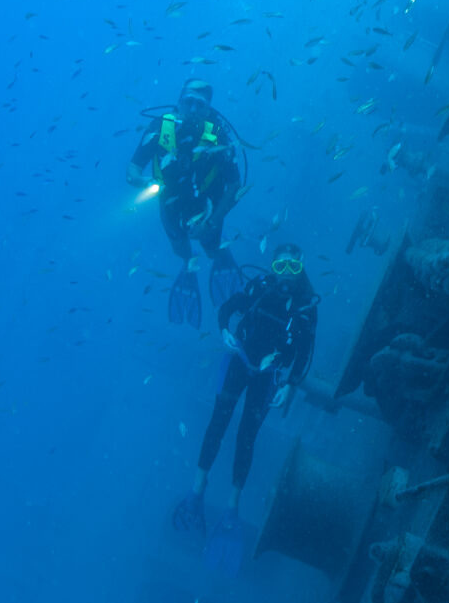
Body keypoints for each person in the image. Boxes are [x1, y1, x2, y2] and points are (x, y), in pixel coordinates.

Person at [171, 242, 319, 574]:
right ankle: (197, 491)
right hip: (240, 360)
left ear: (301, 267)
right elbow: (227, 308)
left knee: (246, 436)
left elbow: (305, 353)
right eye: (280, 267)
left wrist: (289, 386)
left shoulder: (306, 306)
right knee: (217, 424)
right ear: (272, 268)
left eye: (292, 268)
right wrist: (224, 331)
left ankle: (232, 508)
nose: (285, 276)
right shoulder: (259, 286)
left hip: (267, 377)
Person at [126, 78, 244, 326]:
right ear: (178, 103)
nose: (193, 109)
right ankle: (188, 268)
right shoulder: (161, 128)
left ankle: (219, 257)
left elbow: (234, 185)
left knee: (211, 247)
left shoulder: (218, 135)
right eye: (188, 102)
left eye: (199, 105)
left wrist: (212, 221)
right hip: (171, 204)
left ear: (208, 109)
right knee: (179, 246)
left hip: (208, 206)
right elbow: (133, 170)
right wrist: (145, 182)